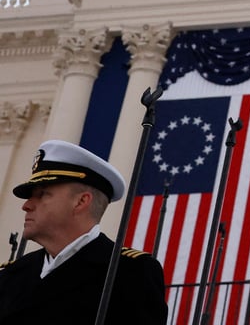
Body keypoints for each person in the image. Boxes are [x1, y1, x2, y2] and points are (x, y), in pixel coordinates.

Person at [0, 139, 167, 325]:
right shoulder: (11, 275)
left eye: (42, 194)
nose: (26, 205)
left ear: (81, 202)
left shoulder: (129, 272)